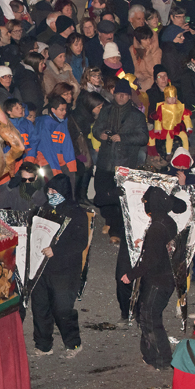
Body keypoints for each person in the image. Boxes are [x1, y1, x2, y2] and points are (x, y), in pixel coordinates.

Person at [121, 186, 185, 370]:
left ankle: (162, 359)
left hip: (158, 281)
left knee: (150, 319)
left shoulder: (158, 227)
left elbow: (151, 259)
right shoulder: (166, 221)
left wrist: (131, 275)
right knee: (146, 317)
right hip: (162, 279)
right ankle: (149, 355)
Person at [31, 173, 88, 358]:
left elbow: (80, 242)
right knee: (40, 307)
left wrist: (57, 250)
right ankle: (43, 344)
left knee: (62, 309)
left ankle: (73, 344)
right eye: (49, 190)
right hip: (41, 268)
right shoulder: (43, 209)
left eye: (55, 190)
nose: (51, 193)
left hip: (64, 270)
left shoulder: (75, 212)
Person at [92, 79, 149, 242]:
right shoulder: (106, 110)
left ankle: (116, 230)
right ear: (114, 94)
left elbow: (144, 137)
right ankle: (110, 221)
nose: (121, 98)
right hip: (106, 159)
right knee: (102, 193)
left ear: (129, 97)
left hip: (124, 162)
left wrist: (123, 138)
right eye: (119, 94)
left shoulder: (136, 115)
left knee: (118, 197)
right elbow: (96, 128)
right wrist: (100, 134)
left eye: (124, 95)